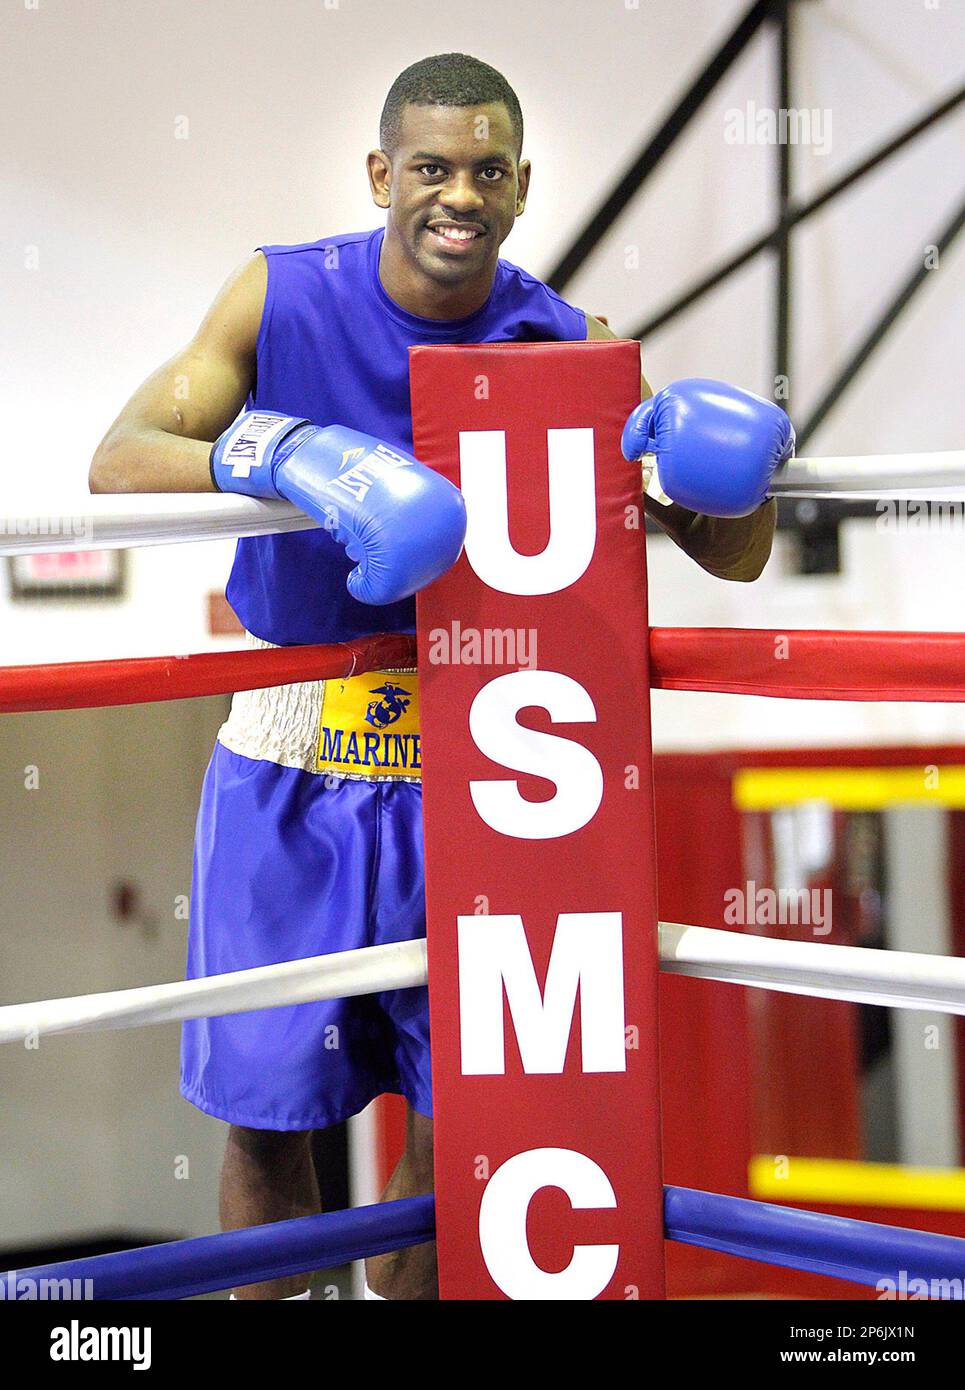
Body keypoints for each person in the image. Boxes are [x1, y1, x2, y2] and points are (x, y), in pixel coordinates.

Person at [89, 52, 789, 1301]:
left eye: (484, 171)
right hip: (291, 761)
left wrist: (706, 467)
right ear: (379, 174)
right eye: (428, 167)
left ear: (521, 187)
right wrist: (288, 449)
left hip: (486, 772)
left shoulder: (563, 341)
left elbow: (731, 560)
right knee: (267, 1112)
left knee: (452, 1118)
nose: (455, 195)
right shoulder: (281, 296)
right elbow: (123, 455)